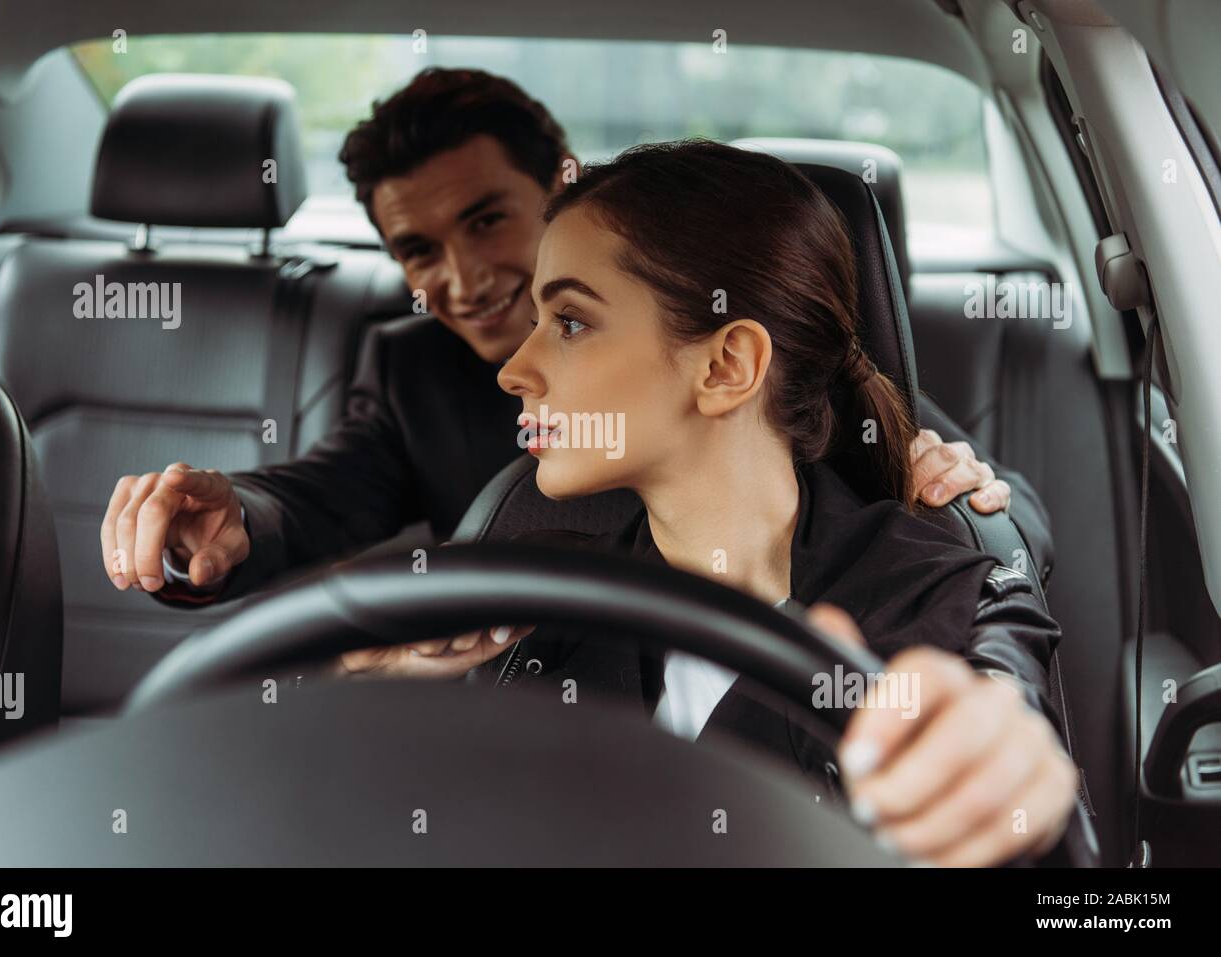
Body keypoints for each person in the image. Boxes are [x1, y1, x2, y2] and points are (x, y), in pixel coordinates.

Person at [100, 69, 1052, 649]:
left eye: (486, 222)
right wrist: (232, 520)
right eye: (419, 253)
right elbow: (313, 501)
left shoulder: (784, 380)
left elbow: (1002, 539)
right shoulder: (411, 374)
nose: (464, 279)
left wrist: (960, 487)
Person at [344, 140, 1080, 867]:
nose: (514, 370)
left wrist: (1014, 791)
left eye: (569, 322)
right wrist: (362, 692)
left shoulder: (953, 607)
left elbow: (1021, 769)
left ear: (727, 366)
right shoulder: (535, 607)